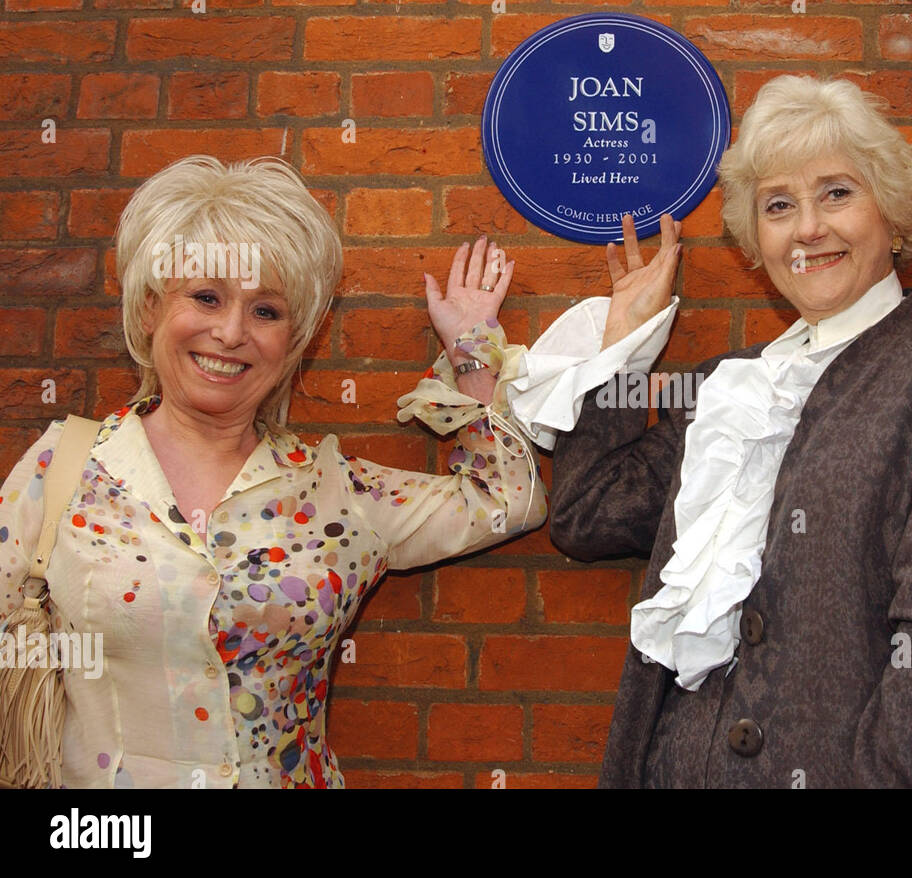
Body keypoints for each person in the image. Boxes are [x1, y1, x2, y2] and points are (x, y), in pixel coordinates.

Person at [507, 76, 912, 787]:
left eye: (837, 193)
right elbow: (587, 513)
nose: (807, 228)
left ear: (892, 215)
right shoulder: (725, 384)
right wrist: (624, 342)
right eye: (778, 205)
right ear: (754, 240)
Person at [0, 155, 546, 788]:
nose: (231, 332)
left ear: (296, 340)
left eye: (267, 312)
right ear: (150, 309)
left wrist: (474, 347)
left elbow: (510, 498)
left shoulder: (338, 493)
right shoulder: (62, 466)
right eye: (206, 297)